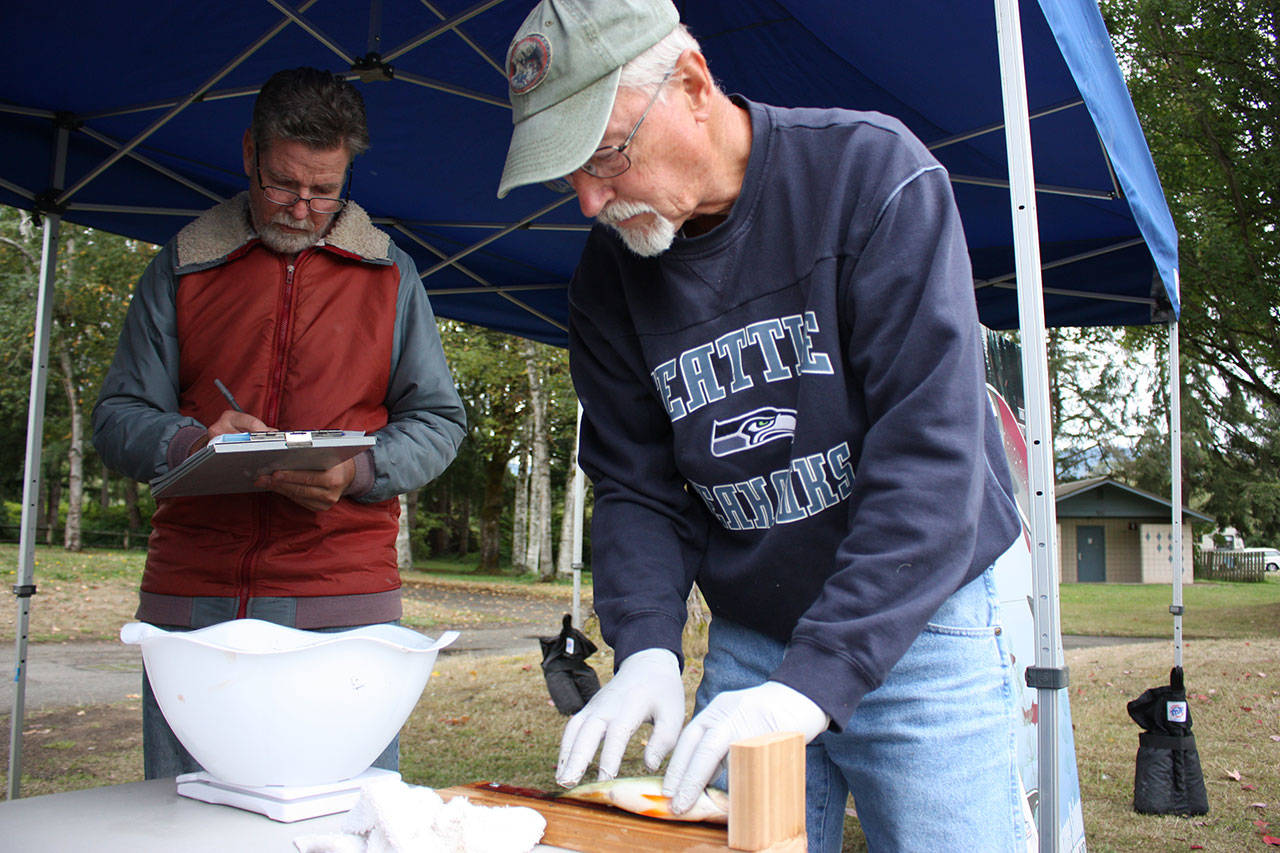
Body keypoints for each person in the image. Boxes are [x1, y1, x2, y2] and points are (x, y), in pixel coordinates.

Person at [496, 2, 1032, 850]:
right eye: (570, 174)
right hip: (755, 634)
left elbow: (933, 460)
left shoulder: (871, 177)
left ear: (694, 86)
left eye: (605, 156)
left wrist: (820, 678)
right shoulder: (608, 279)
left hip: (922, 629)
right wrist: (645, 647)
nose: (590, 198)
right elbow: (634, 483)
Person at [93, 67, 467, 779]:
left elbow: (441, 421)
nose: (302, 207)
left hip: (343, 607)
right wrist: (193, 441)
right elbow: (115, 417)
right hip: (192, 609)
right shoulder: (183, 264)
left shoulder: (392, 274)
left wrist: (359, 469)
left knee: (339, 823)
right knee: (183, 824)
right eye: (283, 183)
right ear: (248, 154)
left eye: (325, 189)